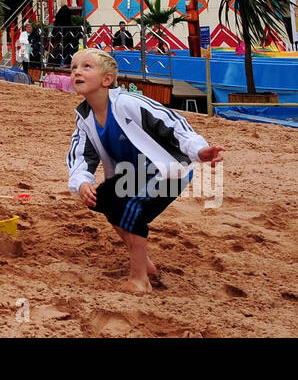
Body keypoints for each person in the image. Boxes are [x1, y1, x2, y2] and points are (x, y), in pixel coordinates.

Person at [66, 49, 224, 292]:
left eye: (87, 66)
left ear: (107, 79)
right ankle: (144, 263)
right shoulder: (84, 118)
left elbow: (173, 123)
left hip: (169, 169)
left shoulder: (128, 103)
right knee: (104, 199)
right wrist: (82, 182)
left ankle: (140, 280)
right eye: (74, 67)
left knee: (130, 206)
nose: (77, 71)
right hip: (134, 173)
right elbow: (81, 156)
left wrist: (199, 150)